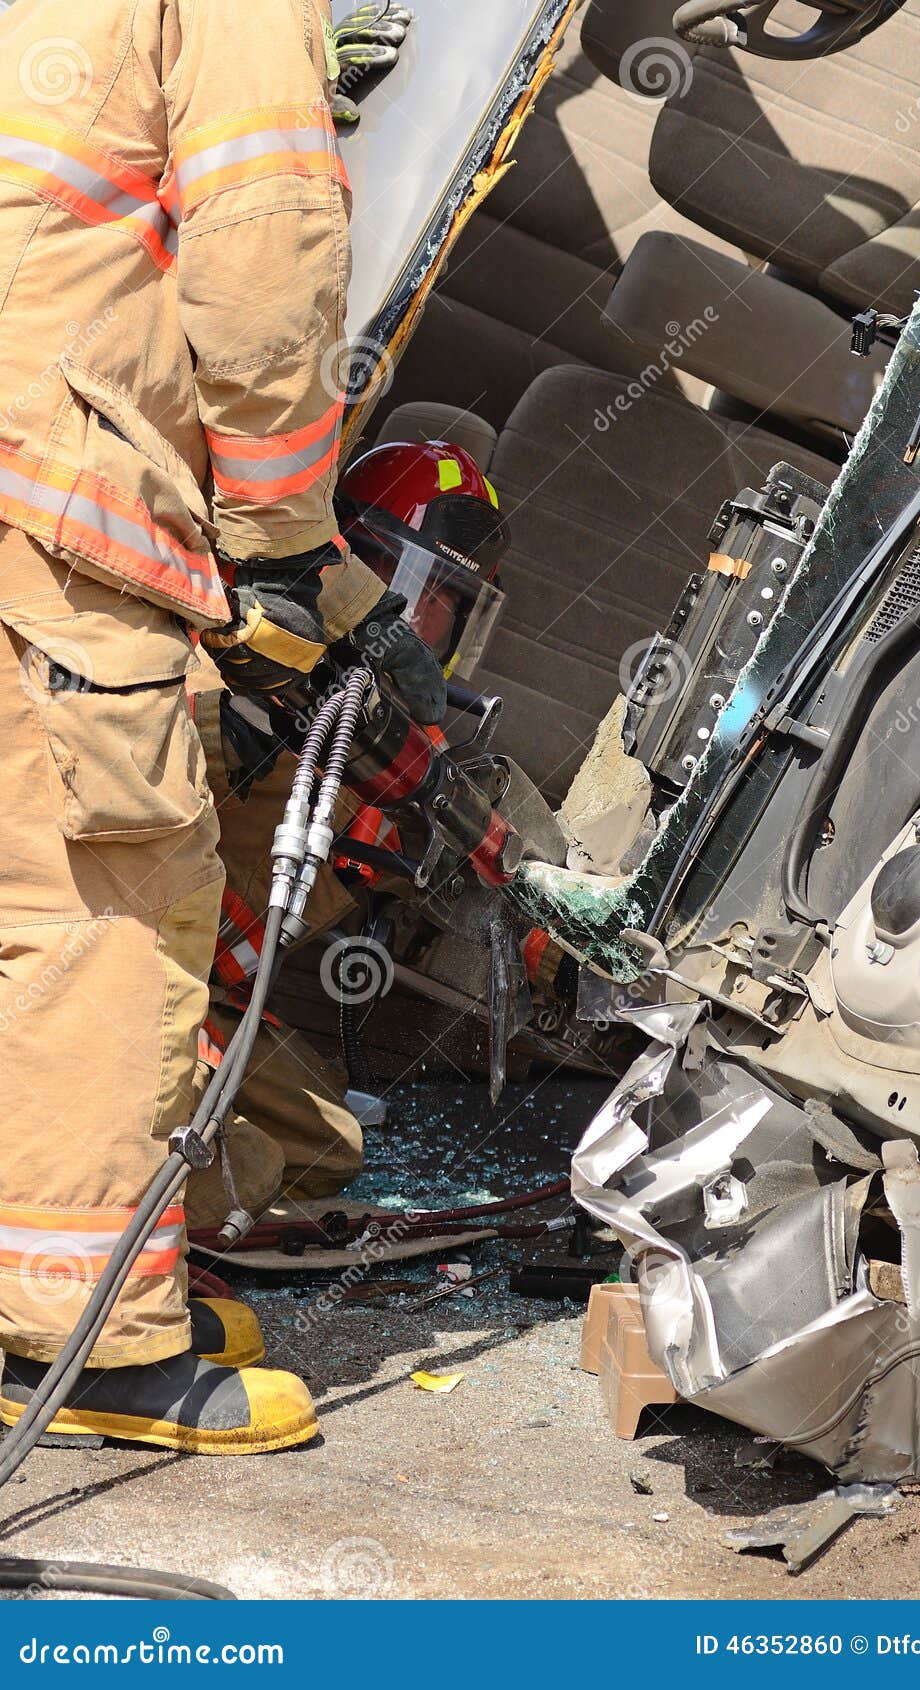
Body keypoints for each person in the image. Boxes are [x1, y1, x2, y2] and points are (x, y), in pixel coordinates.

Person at [0, 0, 442, 1453]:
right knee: (101, 917)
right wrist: (280, 541)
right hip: (45, 518)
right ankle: (87, 1346)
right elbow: (262, 261)